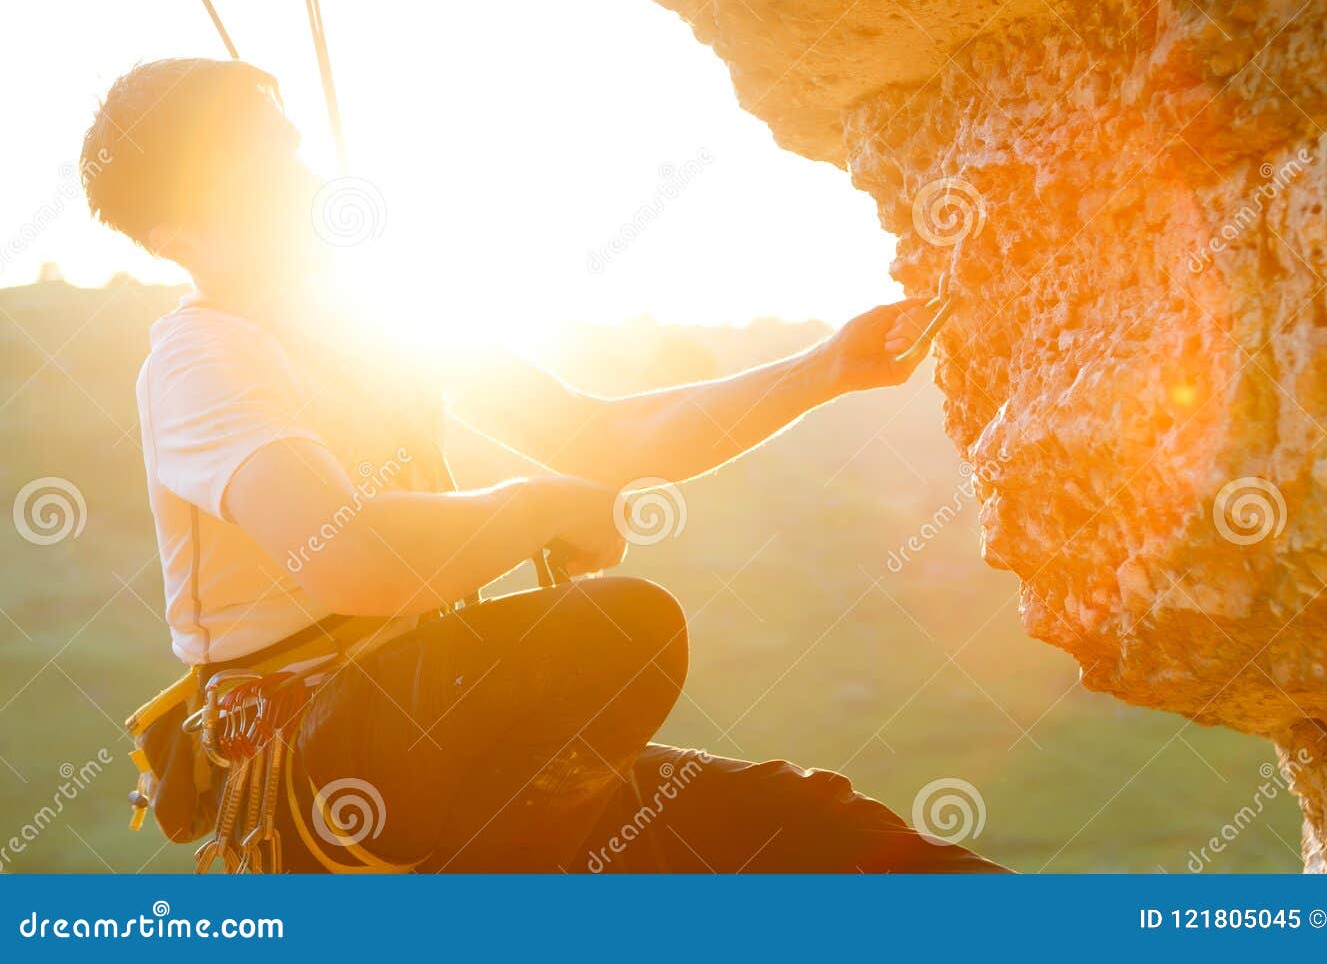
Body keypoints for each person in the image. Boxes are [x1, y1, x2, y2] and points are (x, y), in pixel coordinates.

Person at [84, 57, 1005, 873]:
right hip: (331, 769)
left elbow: (599, 437)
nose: (289, 179)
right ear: (173, 237)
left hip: (458, 756)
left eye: (281, 150)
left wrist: (822, 370)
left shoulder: (373, 320)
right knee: (615, 629)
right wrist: (533, 507)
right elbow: (351, 553)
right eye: (244, 167)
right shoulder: (201, 358)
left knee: (812, 834)